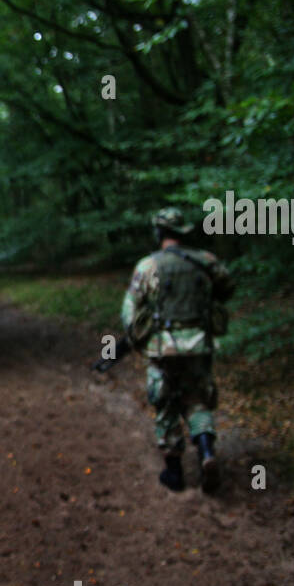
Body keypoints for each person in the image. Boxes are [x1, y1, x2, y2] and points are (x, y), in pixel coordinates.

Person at [121, 207, 235, 493]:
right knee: (198, 400)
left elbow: (129, 312)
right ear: (183, 231)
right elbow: (227, 290)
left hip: (164, 349)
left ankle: (174, 474)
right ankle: (206, 452)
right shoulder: (206, 261)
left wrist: (136, 338)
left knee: (166, 403)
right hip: (199, 344)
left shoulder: (147, 266)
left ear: (159, 232)